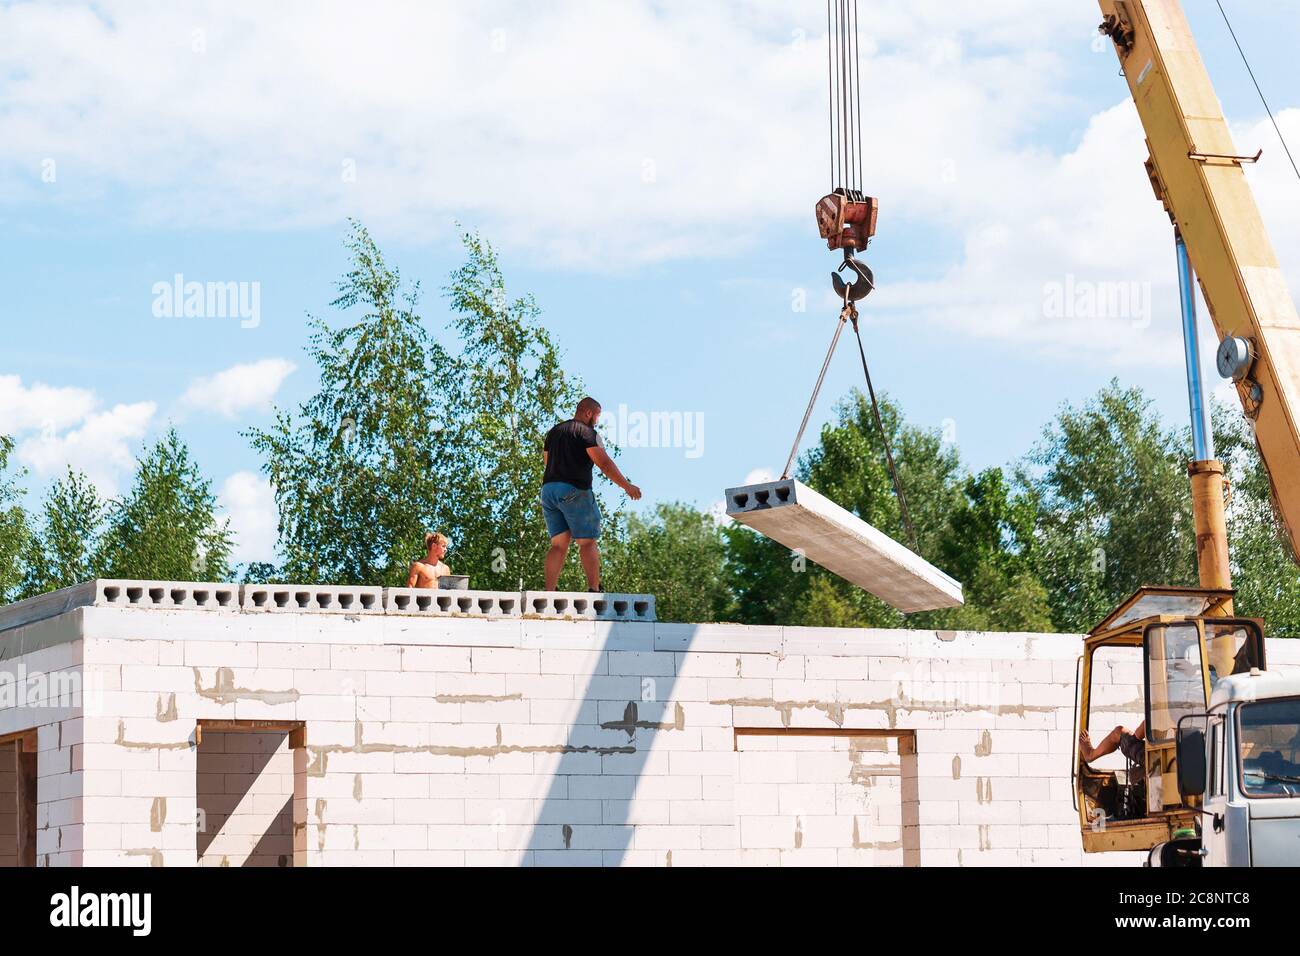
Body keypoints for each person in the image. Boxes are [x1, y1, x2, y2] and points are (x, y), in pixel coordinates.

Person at [541, 396, 641, 591]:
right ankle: (594, 590)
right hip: (573, 491)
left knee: (558, 545)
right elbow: (603, 463)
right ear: (588, 413)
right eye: (597, 416)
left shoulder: (554, 432)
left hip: (549, 490)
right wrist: (627, 486)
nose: (597, 420)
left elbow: (547, 462)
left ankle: (550, 592)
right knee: (587, 541)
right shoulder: (587, 433)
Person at [1079, 720, 1146, 767]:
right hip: (1154, 754)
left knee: (1119, 731)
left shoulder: (1154, 711)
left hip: (1150, 757)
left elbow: (1138, 735)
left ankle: (1091, 755)